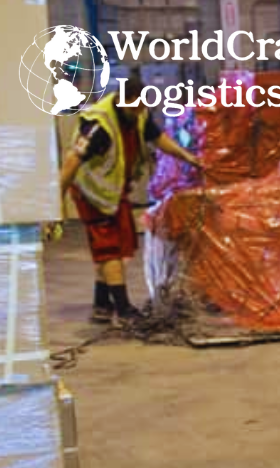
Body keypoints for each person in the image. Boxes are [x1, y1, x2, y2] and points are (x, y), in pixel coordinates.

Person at [59, 87, 201, 324]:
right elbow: (72, 160)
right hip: (92, 195)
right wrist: (57, 200)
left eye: (141, 108)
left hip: (114, 194)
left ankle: (102, 304)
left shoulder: (139, 114)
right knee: (110, 252)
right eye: (134, 108)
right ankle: (123, 309)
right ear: (121, 100)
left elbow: (158, 138)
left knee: (121, 249)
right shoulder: (99, 125)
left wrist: (188, 157)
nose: (138, 113)